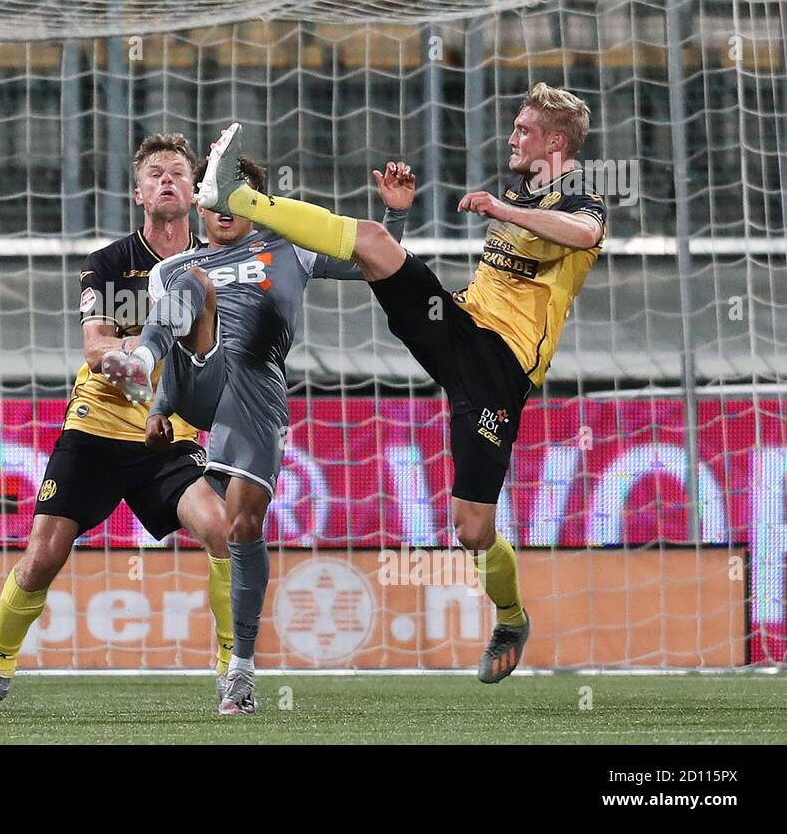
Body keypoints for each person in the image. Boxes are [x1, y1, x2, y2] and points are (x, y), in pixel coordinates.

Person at [196, 83, 606, 683]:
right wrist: (423, 212)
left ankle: (511, 617)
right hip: (459, 324)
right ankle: (240, 196)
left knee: (471, 529)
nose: (512, 137)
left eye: (524, 130)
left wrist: (504, 211)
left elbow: (585, 234)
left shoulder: (579, 197)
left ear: (556, 142)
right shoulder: (522, 188)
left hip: (499, 369)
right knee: (373, 240)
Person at [102, 152, 410, 714]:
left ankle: (240, 672)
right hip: (195, 382)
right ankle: (139, 361)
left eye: (237, 195)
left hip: (254, 394)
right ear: (201, 204)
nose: (224, 206)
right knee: (194, 285)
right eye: (216, 194)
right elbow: (178, 338)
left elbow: (377, 261)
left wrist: (395, 216)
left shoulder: (291, 247)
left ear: (256, 204)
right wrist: (157, 409)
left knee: (242, 527)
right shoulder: (175, 269)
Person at [0, 133, 234, 714]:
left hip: (167, 435)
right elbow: (94, 348)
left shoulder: (213, 267)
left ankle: (234, 673)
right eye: (155, 173)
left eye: (178, 172)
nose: (167, 180)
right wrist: (145, 351)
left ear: (195, 192)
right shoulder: (109, 263)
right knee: (42, 558)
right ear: (138, 193)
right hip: (97, 428)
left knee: (221, 527)